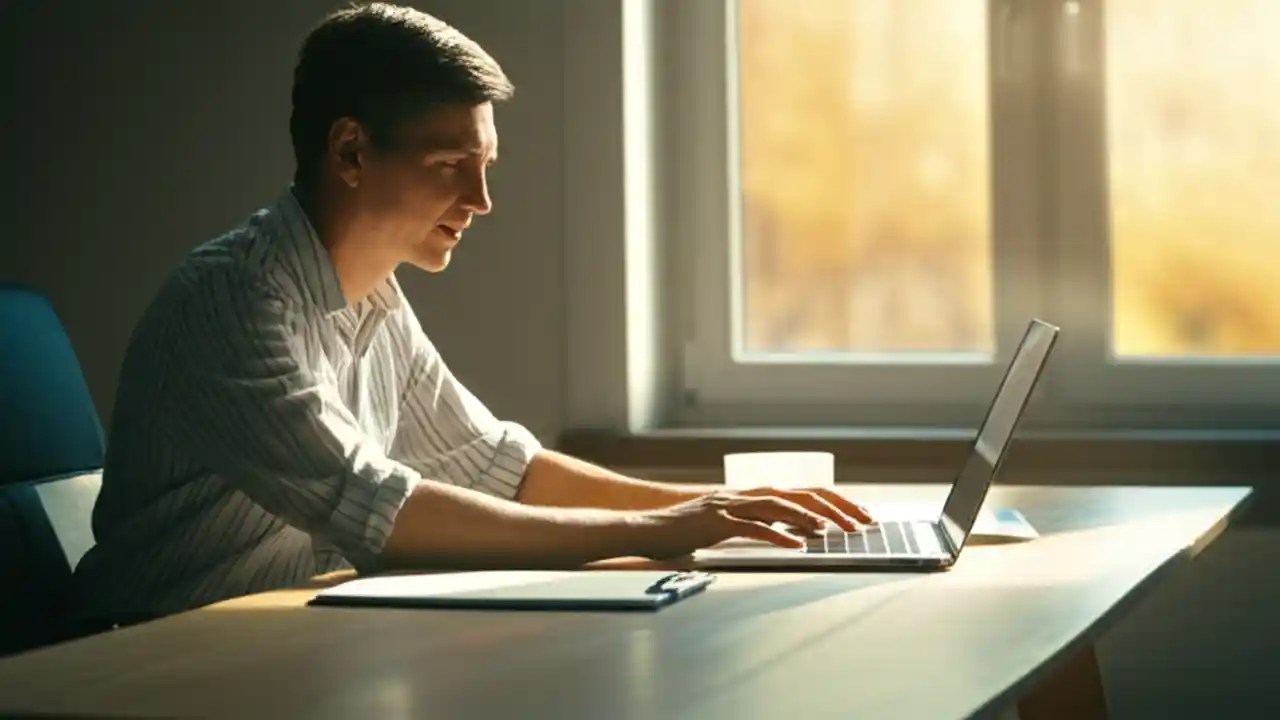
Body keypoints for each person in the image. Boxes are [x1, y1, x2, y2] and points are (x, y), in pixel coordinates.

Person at [70, 2, 872, 628]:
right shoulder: (232, 300)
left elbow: (499, 467)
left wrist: (713, 516)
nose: (481, 199)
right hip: (143, 659)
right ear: (350, 153)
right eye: (452, 164)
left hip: (272, 644)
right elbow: (383, 509)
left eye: (486, 166)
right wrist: (656, 530)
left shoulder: (373, 298)